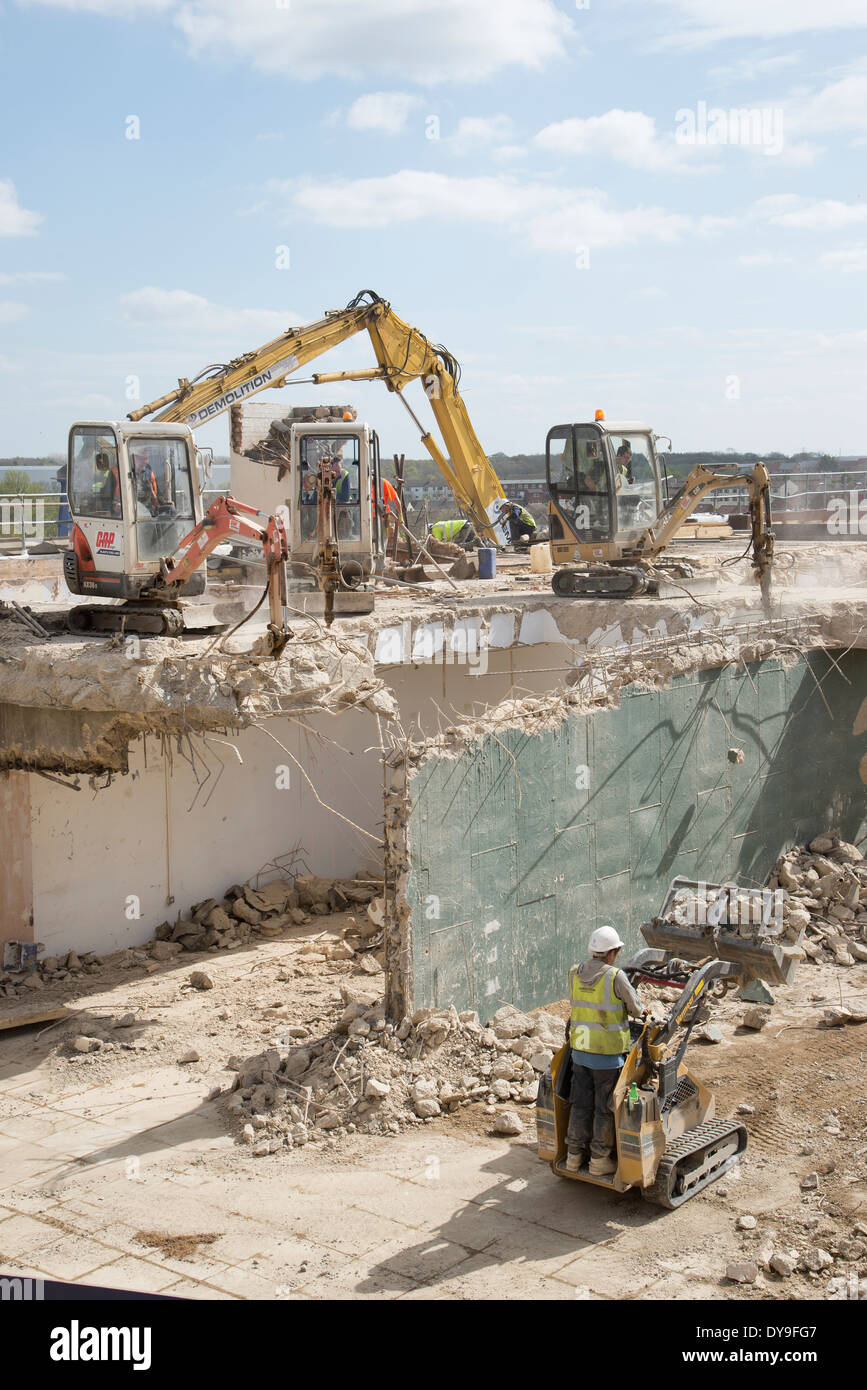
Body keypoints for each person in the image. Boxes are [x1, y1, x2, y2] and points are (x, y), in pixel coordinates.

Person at [565, 924, 646, 1176]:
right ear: (611, 952)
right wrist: (642, 1012)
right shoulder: (615, 976)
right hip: (608, 1059)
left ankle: (574, 1156)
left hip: (579, 1053)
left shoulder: (574, 973)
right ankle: (600, 1159)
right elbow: (635, 1009)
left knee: (580, 1104)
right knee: (604, 1107)